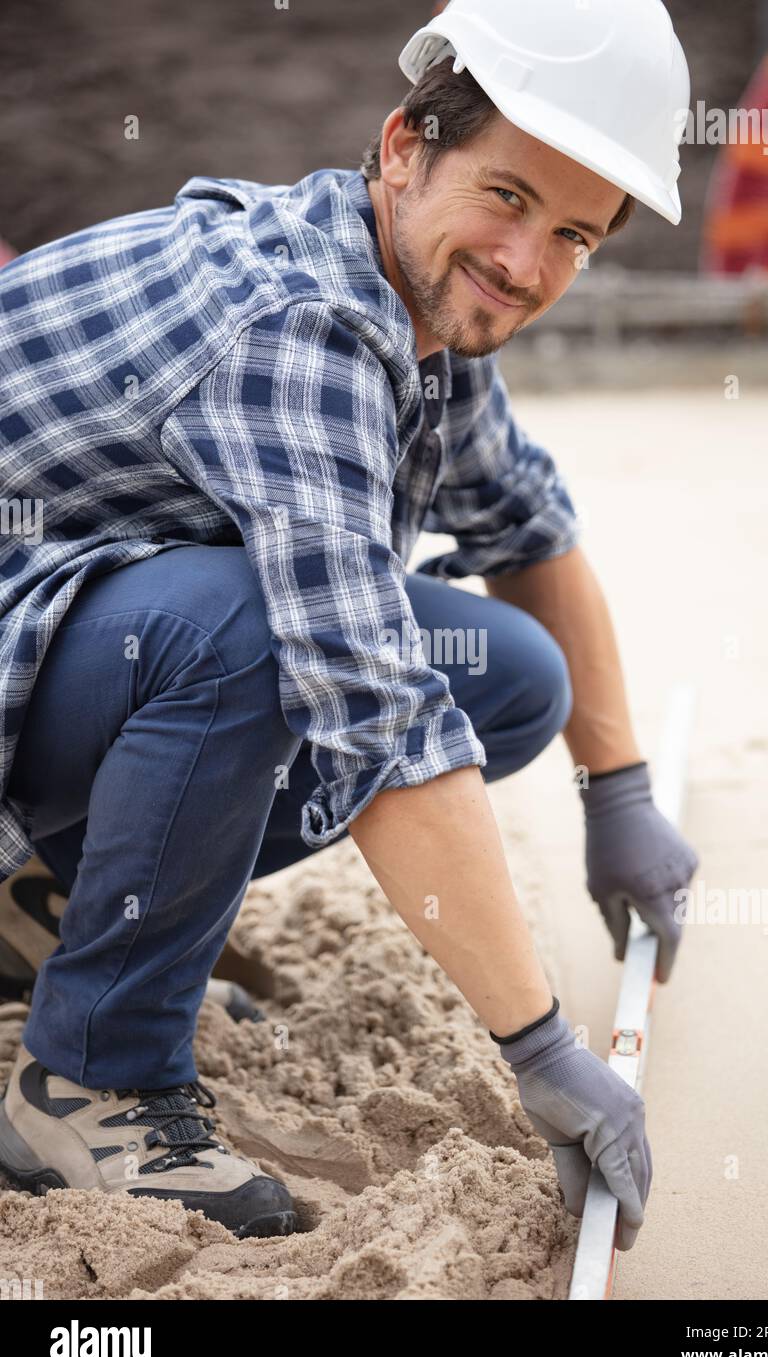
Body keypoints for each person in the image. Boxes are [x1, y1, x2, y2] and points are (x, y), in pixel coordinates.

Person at [0, 0, 697, 1246]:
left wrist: (619, 788)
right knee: (260, 632)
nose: (528, 264)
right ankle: (91, 1079)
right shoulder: (296, 326)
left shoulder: (419, 299)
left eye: (575, 236)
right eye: (508, 197)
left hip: (49, 636)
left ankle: (46, 898)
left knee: (509, 674)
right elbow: (364, 701)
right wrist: (539, 1044)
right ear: (401, 147)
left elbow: (525, 526)